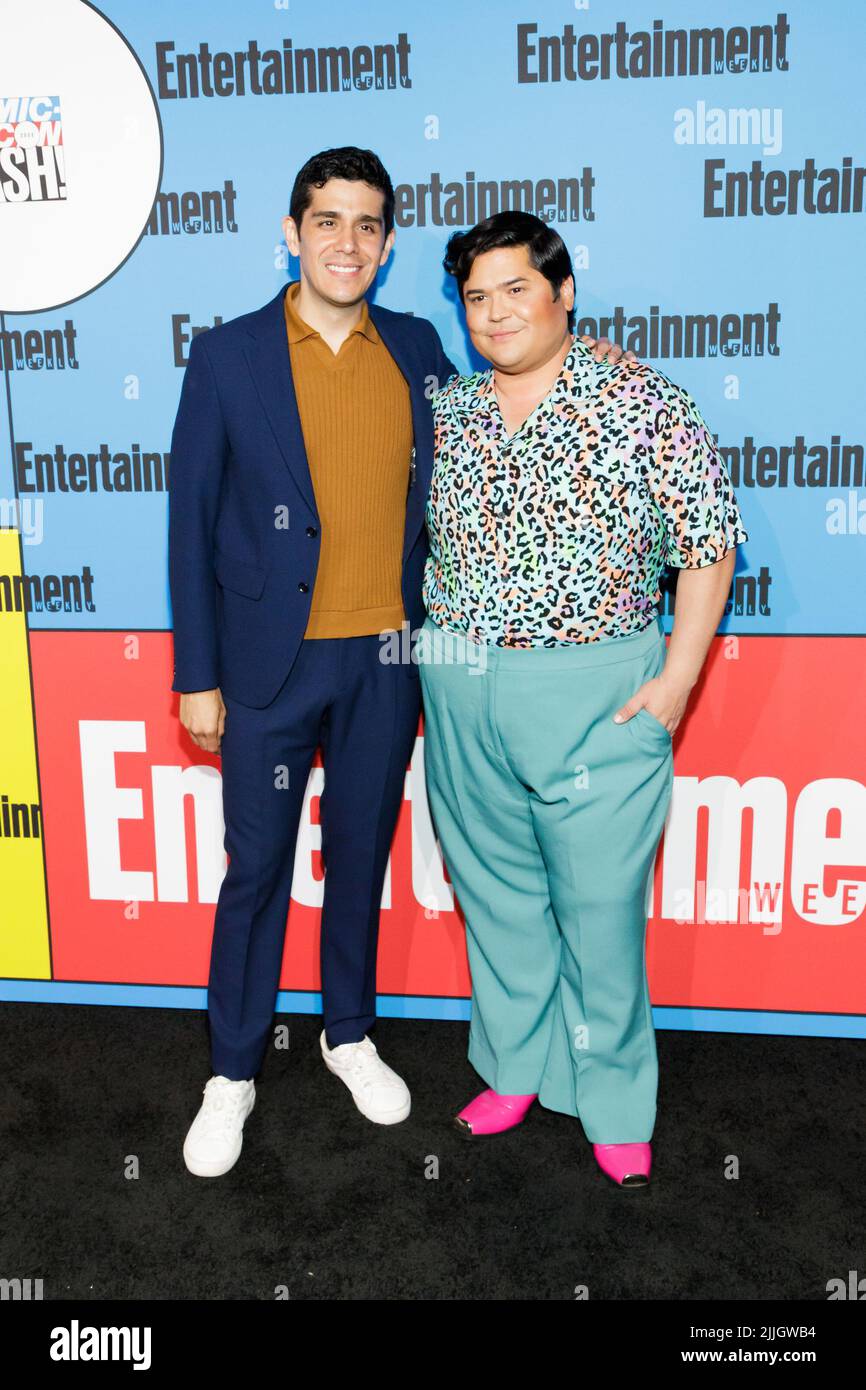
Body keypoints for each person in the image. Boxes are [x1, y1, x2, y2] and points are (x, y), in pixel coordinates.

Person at [168, 149, 630, 1177]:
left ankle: (346, 1035)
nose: (346, 240)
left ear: (387, 242)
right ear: (291, 233)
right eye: (326, 220)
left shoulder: (420, 346)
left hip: (387, 659)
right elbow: (188, 521)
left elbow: (512, 402)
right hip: (263, 669)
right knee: (254, 871)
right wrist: (195, 675)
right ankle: (232, 1068)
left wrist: (593, 364)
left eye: (367, 223)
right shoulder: (228, 355)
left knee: (359, 862)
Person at [417, 210, 749, 1189]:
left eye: (514, 288)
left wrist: (674, 681)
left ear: (562, 293)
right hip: (458, 680)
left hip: (595, 689)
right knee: (498, 900)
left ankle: (611, 1100)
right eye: (475, 296)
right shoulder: (450, 411)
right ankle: (514, 1069)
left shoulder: (646, 400)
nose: (493, 311)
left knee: (597, 912)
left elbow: (706, 541)